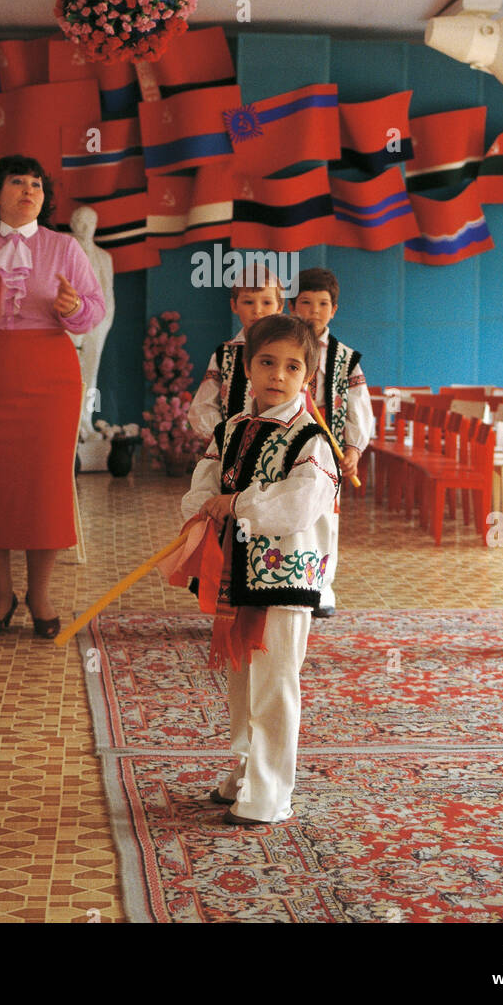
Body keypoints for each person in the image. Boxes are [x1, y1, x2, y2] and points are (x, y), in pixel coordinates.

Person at [0, 155, 106, 638]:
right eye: (18, 182)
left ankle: (40, 594)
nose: (29, 191)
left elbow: (94, 309)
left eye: (37, 185)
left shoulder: (65, 247)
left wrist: (72, 308)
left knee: (43, 484)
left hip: (49, 377)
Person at [180, 314, 339, 825]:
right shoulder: (231, 429)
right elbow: (205, 480)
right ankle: (248, 769)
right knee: (242, 679)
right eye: (267, 362)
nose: (277, 374)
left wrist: (239, 504)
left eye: (292, 367)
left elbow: (297, 505)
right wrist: (203, 506)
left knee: (275, 683)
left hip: (285, 580)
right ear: (247, 367)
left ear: (306, 379)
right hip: (238, 575)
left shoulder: (311, 440)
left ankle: (271, 792)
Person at [289, 266, 372, 618]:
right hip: (291, 438)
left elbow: (360, 409)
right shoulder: (282, 346)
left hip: (327, 442)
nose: (314, 311)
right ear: (293, 306)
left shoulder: (346, 357)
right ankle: (291, 579)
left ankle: (322, 587)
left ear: (334, 309)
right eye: (306, 303)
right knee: (291, 509)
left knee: (325, 515)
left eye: (323, 304)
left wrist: (352, 449)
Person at [187, 265, 285, 441]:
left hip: (278, 446)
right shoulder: (224, 354)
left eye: (266, 302)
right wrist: (225, 435)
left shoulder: (289, 354)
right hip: (231, 450)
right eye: (248, 302)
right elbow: (201, 408)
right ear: (234, 305)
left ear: (280, 306)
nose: (257, 310)